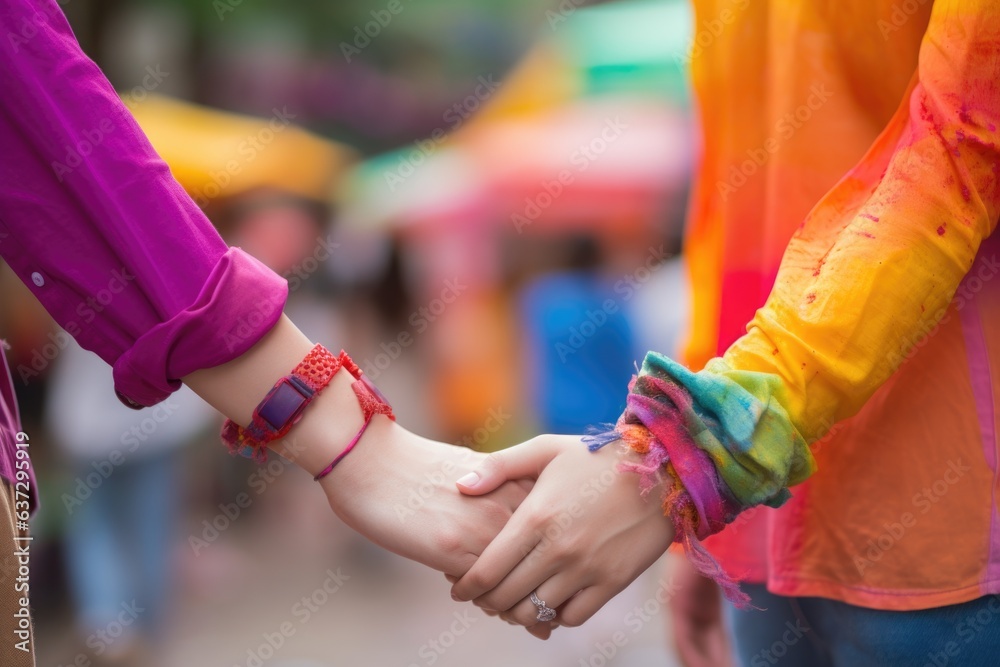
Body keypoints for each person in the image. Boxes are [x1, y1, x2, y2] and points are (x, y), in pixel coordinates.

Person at [448, 1, 1000, 664]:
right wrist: (695, 512)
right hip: (760, 517)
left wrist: (695, 454)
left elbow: (963, 145)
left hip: (943, 524)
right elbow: (731, 208)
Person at [0, 2, 529, 665]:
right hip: (142, 417)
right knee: (129, 524)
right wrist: (354, 443)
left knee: (119, 526)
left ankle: (121, 631)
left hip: (128, 419)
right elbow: (28, 88)